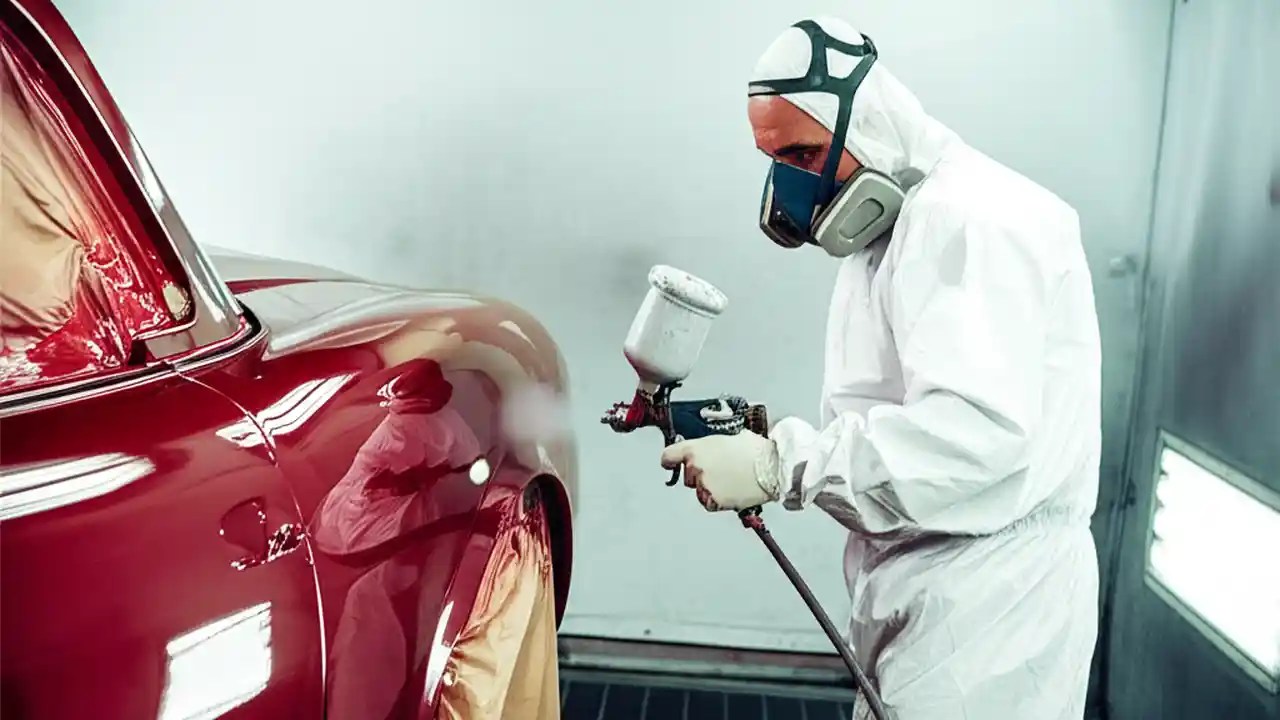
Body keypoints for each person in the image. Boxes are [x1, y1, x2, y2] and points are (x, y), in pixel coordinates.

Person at [659, 16, 1103, 719]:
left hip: (990, 612)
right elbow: (887, 411)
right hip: (926, 586)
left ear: (863, 124)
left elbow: (972, 439)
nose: (790, 187)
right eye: (775, 160)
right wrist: (758, 437)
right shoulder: (893, 232)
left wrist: (783, 464)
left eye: (803, 155)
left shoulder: (971, 219)